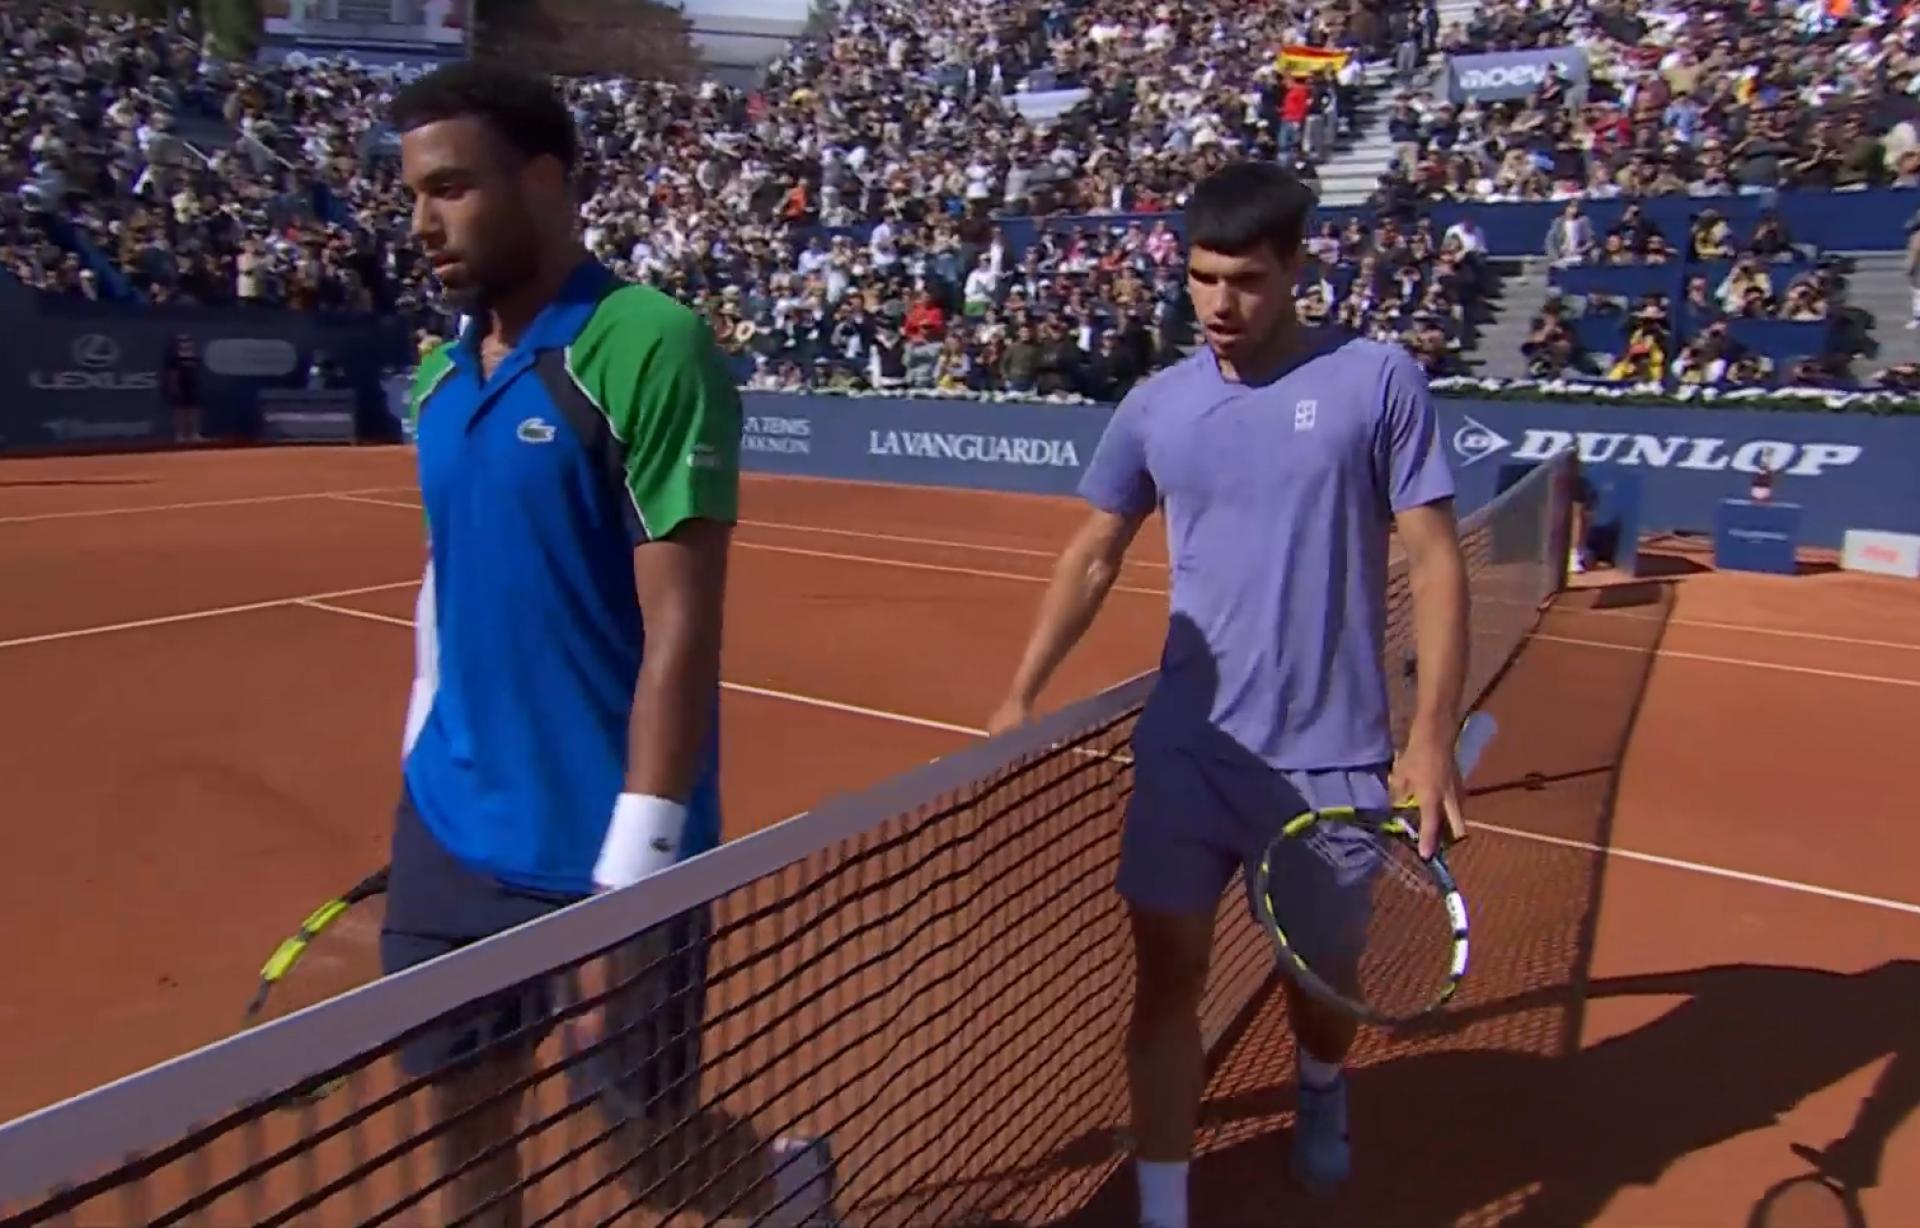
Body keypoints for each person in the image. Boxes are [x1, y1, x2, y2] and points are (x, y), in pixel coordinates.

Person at [987, 161, 1470, 1228]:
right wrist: (1021, 692)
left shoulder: (1378, 380)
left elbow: (1435, 562)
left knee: (1324, 983)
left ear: (1298, 268)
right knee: (1165, 978)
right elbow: (1096, 550)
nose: (1218, 304)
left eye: (1245, 280)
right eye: (1201, 278)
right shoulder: (1158, 403)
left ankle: (1319, 1081)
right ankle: (1167, 1210)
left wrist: (1430, 737)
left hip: (1333, 758)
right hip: (1187, 752)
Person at [386, 61, 741, 1225]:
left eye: (452, 187)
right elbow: (447, 597)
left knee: (646, 1152)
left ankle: (791, 1180)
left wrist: (629, 887)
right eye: (412, 197)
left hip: (611, 843)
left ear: (542, 179)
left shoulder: (649, 343)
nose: (426, 223)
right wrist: (425, 773)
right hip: (451, 831)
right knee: (465, 1138)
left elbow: (682, 624)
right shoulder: (438, 377)